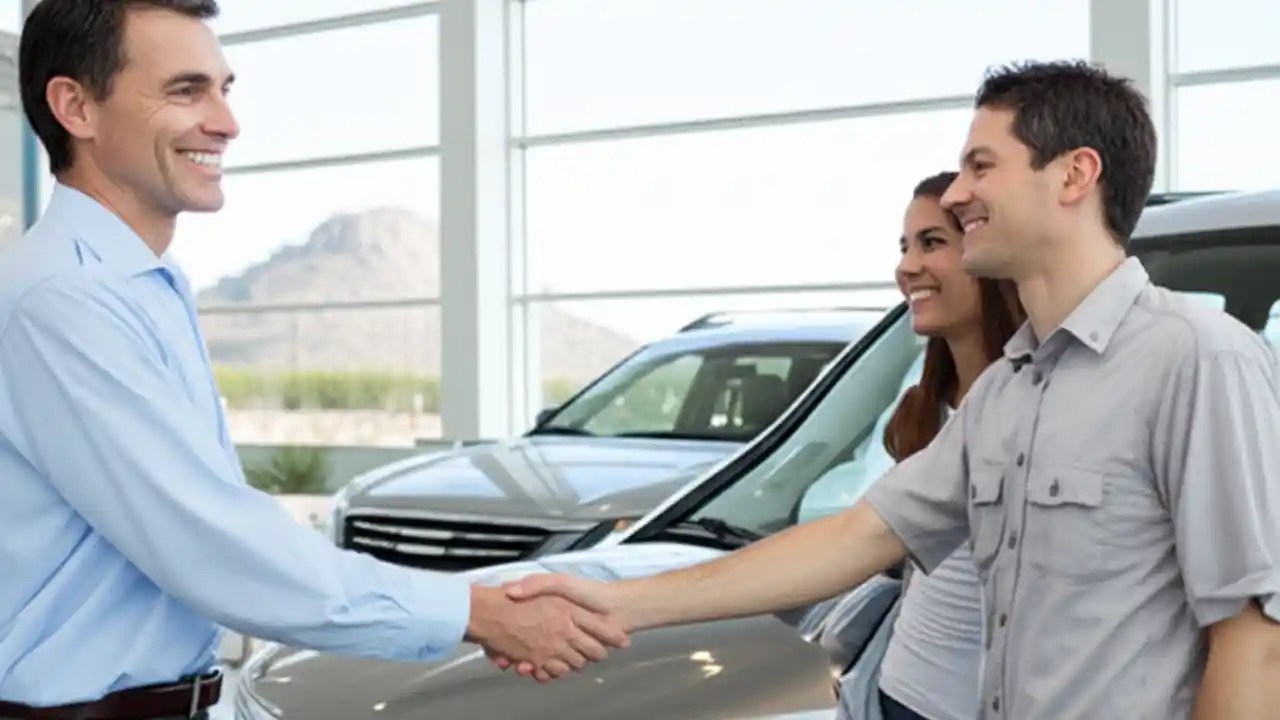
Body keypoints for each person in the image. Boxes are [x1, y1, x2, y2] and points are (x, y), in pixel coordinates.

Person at [499, 60, 1280, 718]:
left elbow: (1255, 642)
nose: (961, 193)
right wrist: (617, 602)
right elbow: (857, 538)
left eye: (982, 166)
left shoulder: (1199, 358)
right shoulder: (1009, 391)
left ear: (1075, 174)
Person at [0, 2, 624, 717]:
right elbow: (213, 545)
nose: (226, 122)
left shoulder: (141, 285)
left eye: (223, 89)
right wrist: (477, 612)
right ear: (75, 106)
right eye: (185, 90)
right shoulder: (65, 298)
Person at [874, 171, 1022, 720]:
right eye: (905, 246)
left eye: (932, 242)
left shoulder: (1037, 403)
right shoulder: (920, 407)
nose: (907, 267)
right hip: (901, 693)